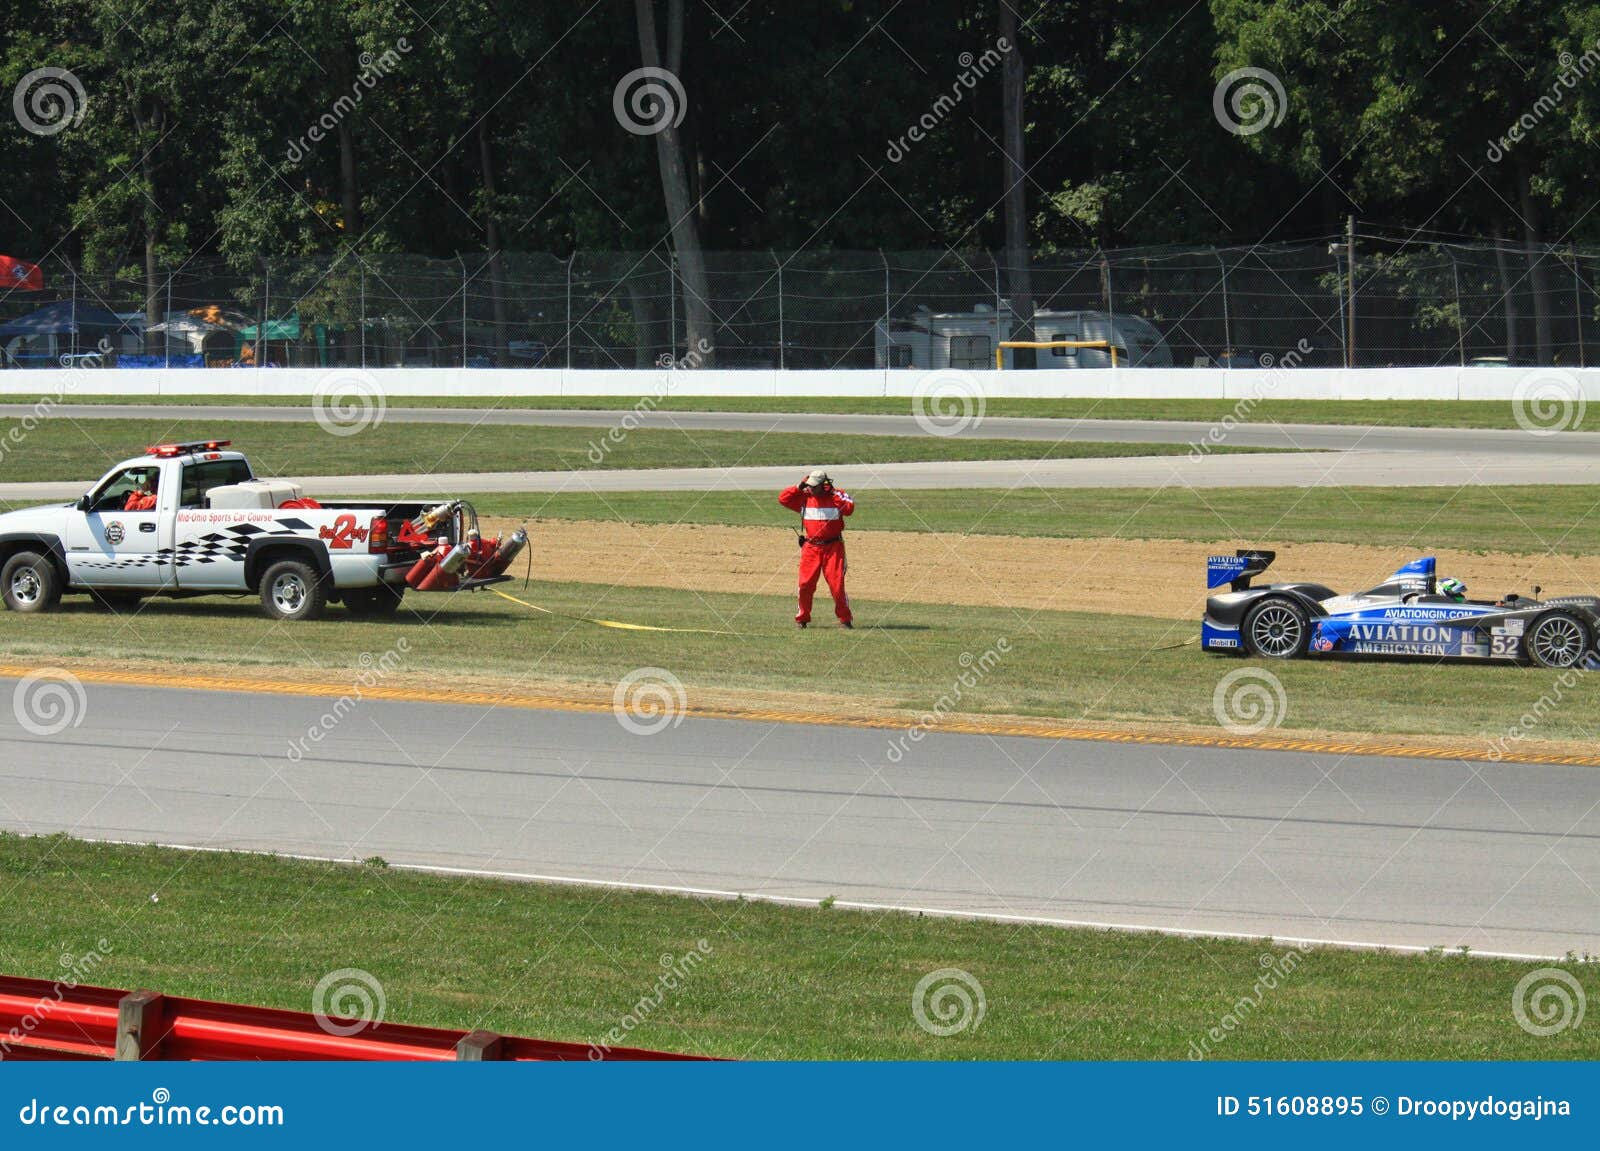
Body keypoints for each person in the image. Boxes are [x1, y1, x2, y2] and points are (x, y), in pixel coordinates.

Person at [779, 469, 854, 628]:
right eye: (809, 485)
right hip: (811, 548)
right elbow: (783, 498)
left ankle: (845, 620)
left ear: (823, 485)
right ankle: (802, 619)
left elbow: (849, 509)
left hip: (834, 547)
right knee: (805, 584)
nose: (810, 488)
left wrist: (834, 494)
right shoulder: (804, 498)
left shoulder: (837, 495)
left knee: (837, 585)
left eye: (813, 486)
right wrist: (799, 486)